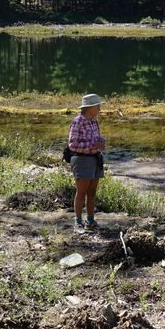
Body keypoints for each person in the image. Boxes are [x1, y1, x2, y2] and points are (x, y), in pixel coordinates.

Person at [68, 93, 106, 232]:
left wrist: (101, 142)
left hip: (95, 159)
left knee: (92, 192)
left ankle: (90, 221)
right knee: (81, 192)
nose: (100, 109)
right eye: (98, 106)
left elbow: (96, 138)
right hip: (82, 160)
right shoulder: (78, 122)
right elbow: (72, 145)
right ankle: (78, 222)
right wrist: (92, 146)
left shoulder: (94, 120)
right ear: (90, 108)